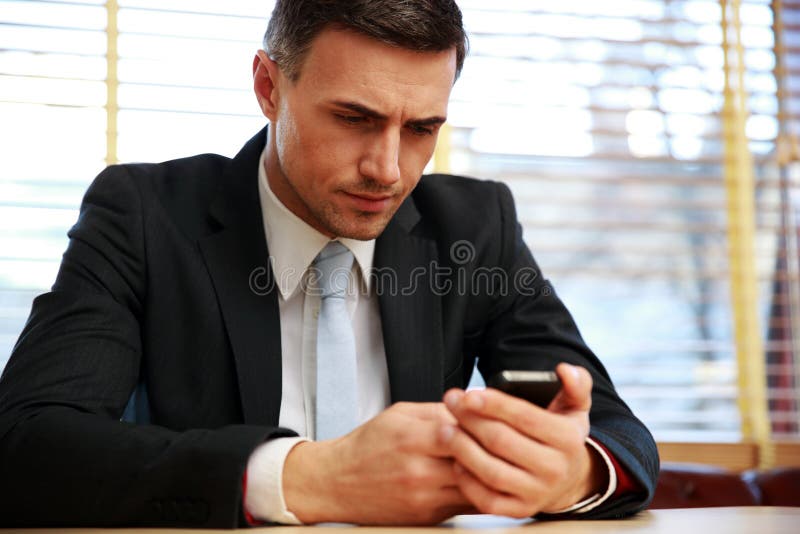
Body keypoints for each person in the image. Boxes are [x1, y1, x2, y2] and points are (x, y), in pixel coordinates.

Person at [0, 0, 658, 528]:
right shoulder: (145, 216)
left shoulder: (475, 227)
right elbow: (24, 446)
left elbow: (617, 434)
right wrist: (310, 478)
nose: (388, 169)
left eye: (421, 129)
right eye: (353, 118)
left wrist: (568, 474)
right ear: (268, 87)